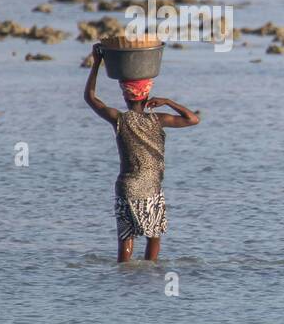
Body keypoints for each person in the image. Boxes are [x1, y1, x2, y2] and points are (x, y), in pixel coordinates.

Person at [84, 41, 200, 262]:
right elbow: (193, 119)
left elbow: (91, 99)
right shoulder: (158, 119)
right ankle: (150, 276)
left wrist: (96, 63)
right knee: (153, 237)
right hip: (149, 187)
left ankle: (124, 281)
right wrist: (168, 101)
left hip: (125, 186)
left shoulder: (119, 119)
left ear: (125, 97)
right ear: (147, 97)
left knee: (126, 239)